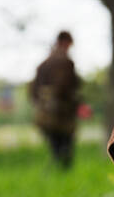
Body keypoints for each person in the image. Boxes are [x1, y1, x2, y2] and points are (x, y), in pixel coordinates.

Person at [29, 31, 81, 167]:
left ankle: (58, 167)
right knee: (65, 143)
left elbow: (33, 88)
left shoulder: (44, 63)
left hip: (46, 110)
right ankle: (62, 169)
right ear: (65, 42)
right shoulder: (66, 62)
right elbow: (69, 86)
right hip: (63, 111)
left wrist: (39, 103)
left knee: (55, 142)